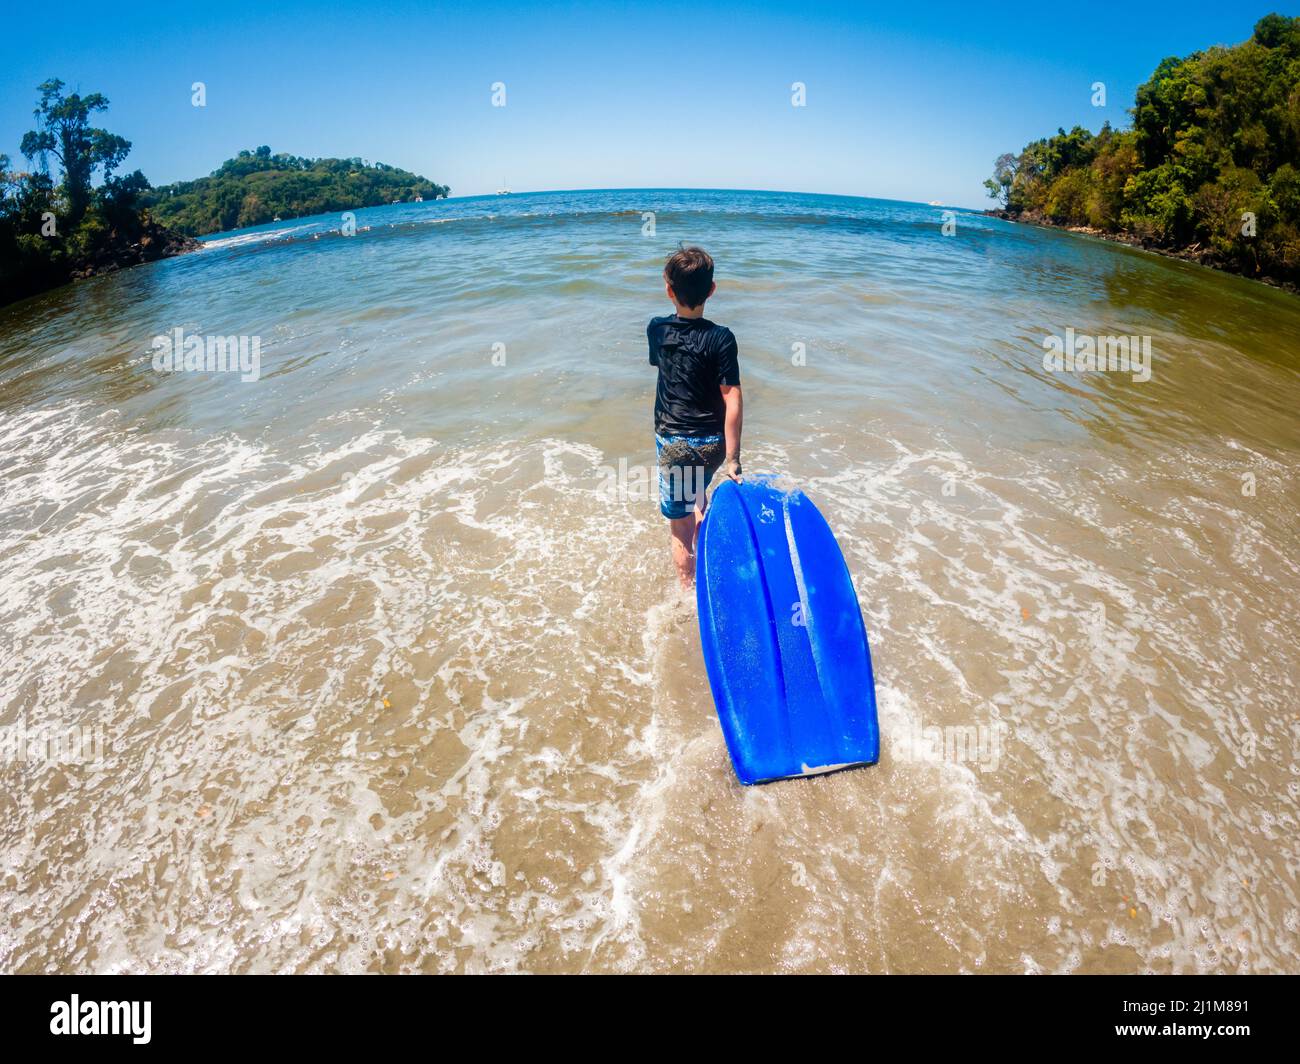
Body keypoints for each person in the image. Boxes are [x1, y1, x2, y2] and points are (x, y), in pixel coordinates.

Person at [646, 246, 743, 587]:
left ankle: (689, 590)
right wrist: (733, 459)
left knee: (680, 526)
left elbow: (667, 366)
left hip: (675, 445)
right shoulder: (722, 338)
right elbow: (732, 398)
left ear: (669, 290)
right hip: (712, 447)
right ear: (712, 290)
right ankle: (706, 541)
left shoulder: (657, 330)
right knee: (697, 490)